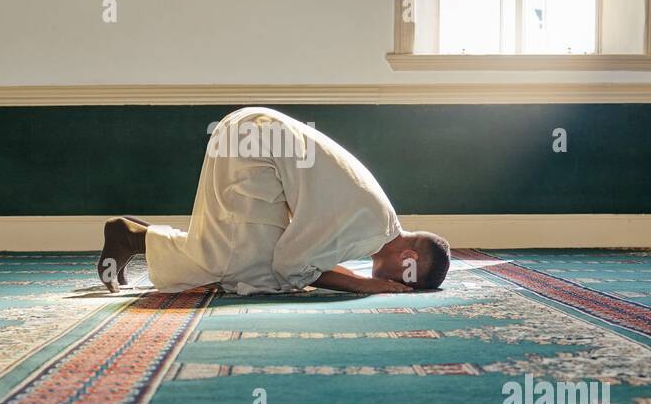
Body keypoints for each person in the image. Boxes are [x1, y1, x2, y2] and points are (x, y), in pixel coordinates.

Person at [97, 108, 450, 295]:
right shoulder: (368, 229)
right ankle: (129, 237)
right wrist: (362, 284)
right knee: (252, 270)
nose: (397, 285)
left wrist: (360, 280)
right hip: (254, 143)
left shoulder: (376, 222)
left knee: (236, 255)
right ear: (408, 257)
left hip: (252, 134)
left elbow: (303, 261)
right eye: (406, 280)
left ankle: (135, 236)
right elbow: (291, 265)